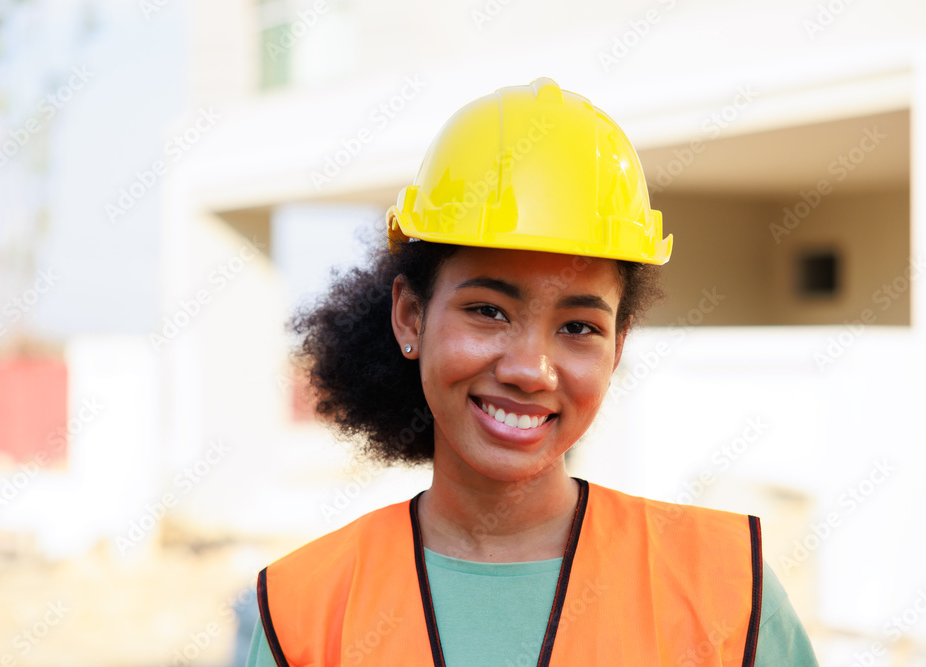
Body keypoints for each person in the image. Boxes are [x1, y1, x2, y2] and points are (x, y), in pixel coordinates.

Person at [246, 77, 819, 666]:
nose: (530, 370)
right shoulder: (302, 612)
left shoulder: (731, 593)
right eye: (488, 311)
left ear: (617, 346)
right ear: (411, 316)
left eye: (579, 327)